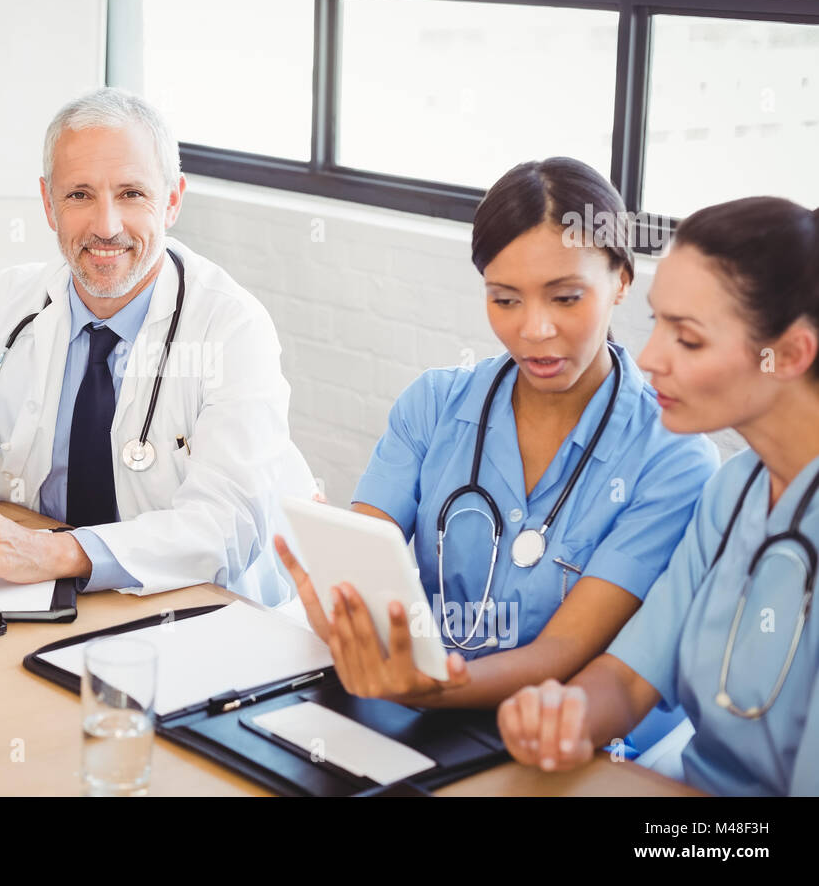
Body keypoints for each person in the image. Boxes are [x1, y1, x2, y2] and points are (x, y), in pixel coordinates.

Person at [276, 158, 719, 731]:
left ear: (622, 281)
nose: (533, 329)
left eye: (565, 298)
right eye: (505, 299)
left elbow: (563, 652)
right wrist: (339, 608)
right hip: (420, 712)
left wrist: (430, 687)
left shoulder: (672, 454)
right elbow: (368, 573)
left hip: (565, 737)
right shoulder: (433, 406)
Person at [0, 88, 314, 604]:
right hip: (31, 593)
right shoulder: (10, 303)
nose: (106, 227)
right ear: (47, 204)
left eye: (131, 194)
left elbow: (225, 524)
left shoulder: (232, 326)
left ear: (172, 200)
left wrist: (56, 554)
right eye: (79, 195)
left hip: (190, 605)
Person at [499, 197, 819, 796]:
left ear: (792, 354)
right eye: (657, 325)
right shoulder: (733, 493)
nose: (648, 359)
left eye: (688, 339)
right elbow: (624, 681)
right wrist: (563, 718)